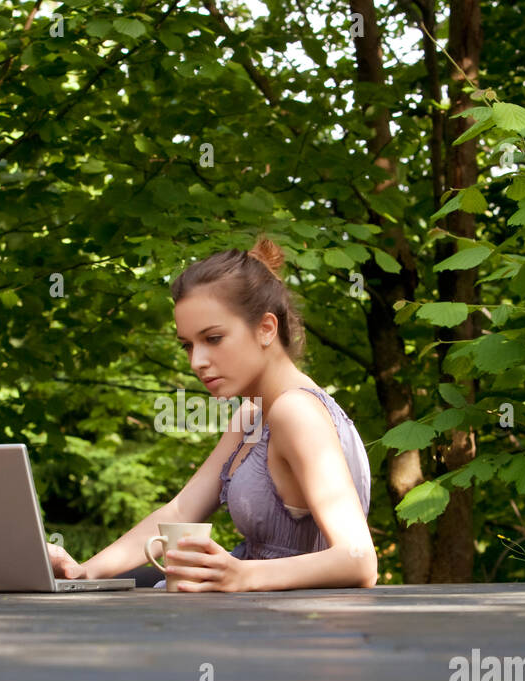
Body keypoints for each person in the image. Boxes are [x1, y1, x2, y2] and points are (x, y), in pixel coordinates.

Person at [48, 238, 377, 591]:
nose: (197, 362)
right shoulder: (252, 415)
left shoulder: (296, 411)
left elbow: (359, 560)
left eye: (214, 338)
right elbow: (180, 512)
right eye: (188, 345)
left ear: (266, 328)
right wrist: (85, 572)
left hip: (287, 629)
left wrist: (242, 574)